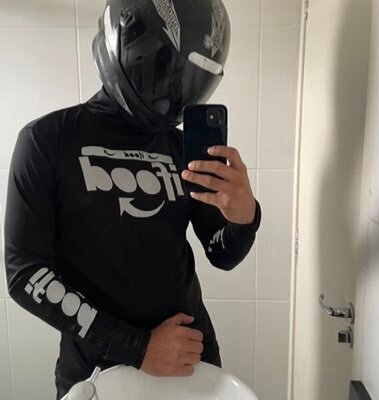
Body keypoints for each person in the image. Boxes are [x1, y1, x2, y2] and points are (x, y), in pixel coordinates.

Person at [4, 0, 262, 398]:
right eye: (165, 69)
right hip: (97, 370)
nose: (175, 90)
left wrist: (244, 219)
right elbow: (25, 274)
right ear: (127, 44)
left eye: (188, 78)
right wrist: (137, 348)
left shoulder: (181, 147)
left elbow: (221, 254)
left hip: (189, 358)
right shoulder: (46, 140)